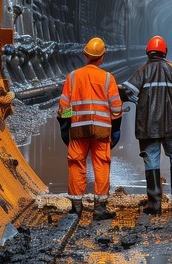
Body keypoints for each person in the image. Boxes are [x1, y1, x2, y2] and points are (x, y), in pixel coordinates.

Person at [119, 36, 172, 214]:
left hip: (148, 125)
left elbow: (125, 91)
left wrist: (137, 101)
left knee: (151, 161)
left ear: (148, 52)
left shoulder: (141, 71)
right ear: (164, 52)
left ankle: (154, 204)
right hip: (171, 124)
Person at [58, 37, 123, 219]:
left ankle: (76, 207)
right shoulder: (108, 78)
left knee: (76, 163)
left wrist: (66, 126)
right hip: (101, 130)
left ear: (85, 55)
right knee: (101, 165)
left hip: (78, 129)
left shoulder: (72, 77)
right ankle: (100, 209)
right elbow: (116, 108)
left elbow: (64, 107)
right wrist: (115, 127)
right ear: (102, 57)